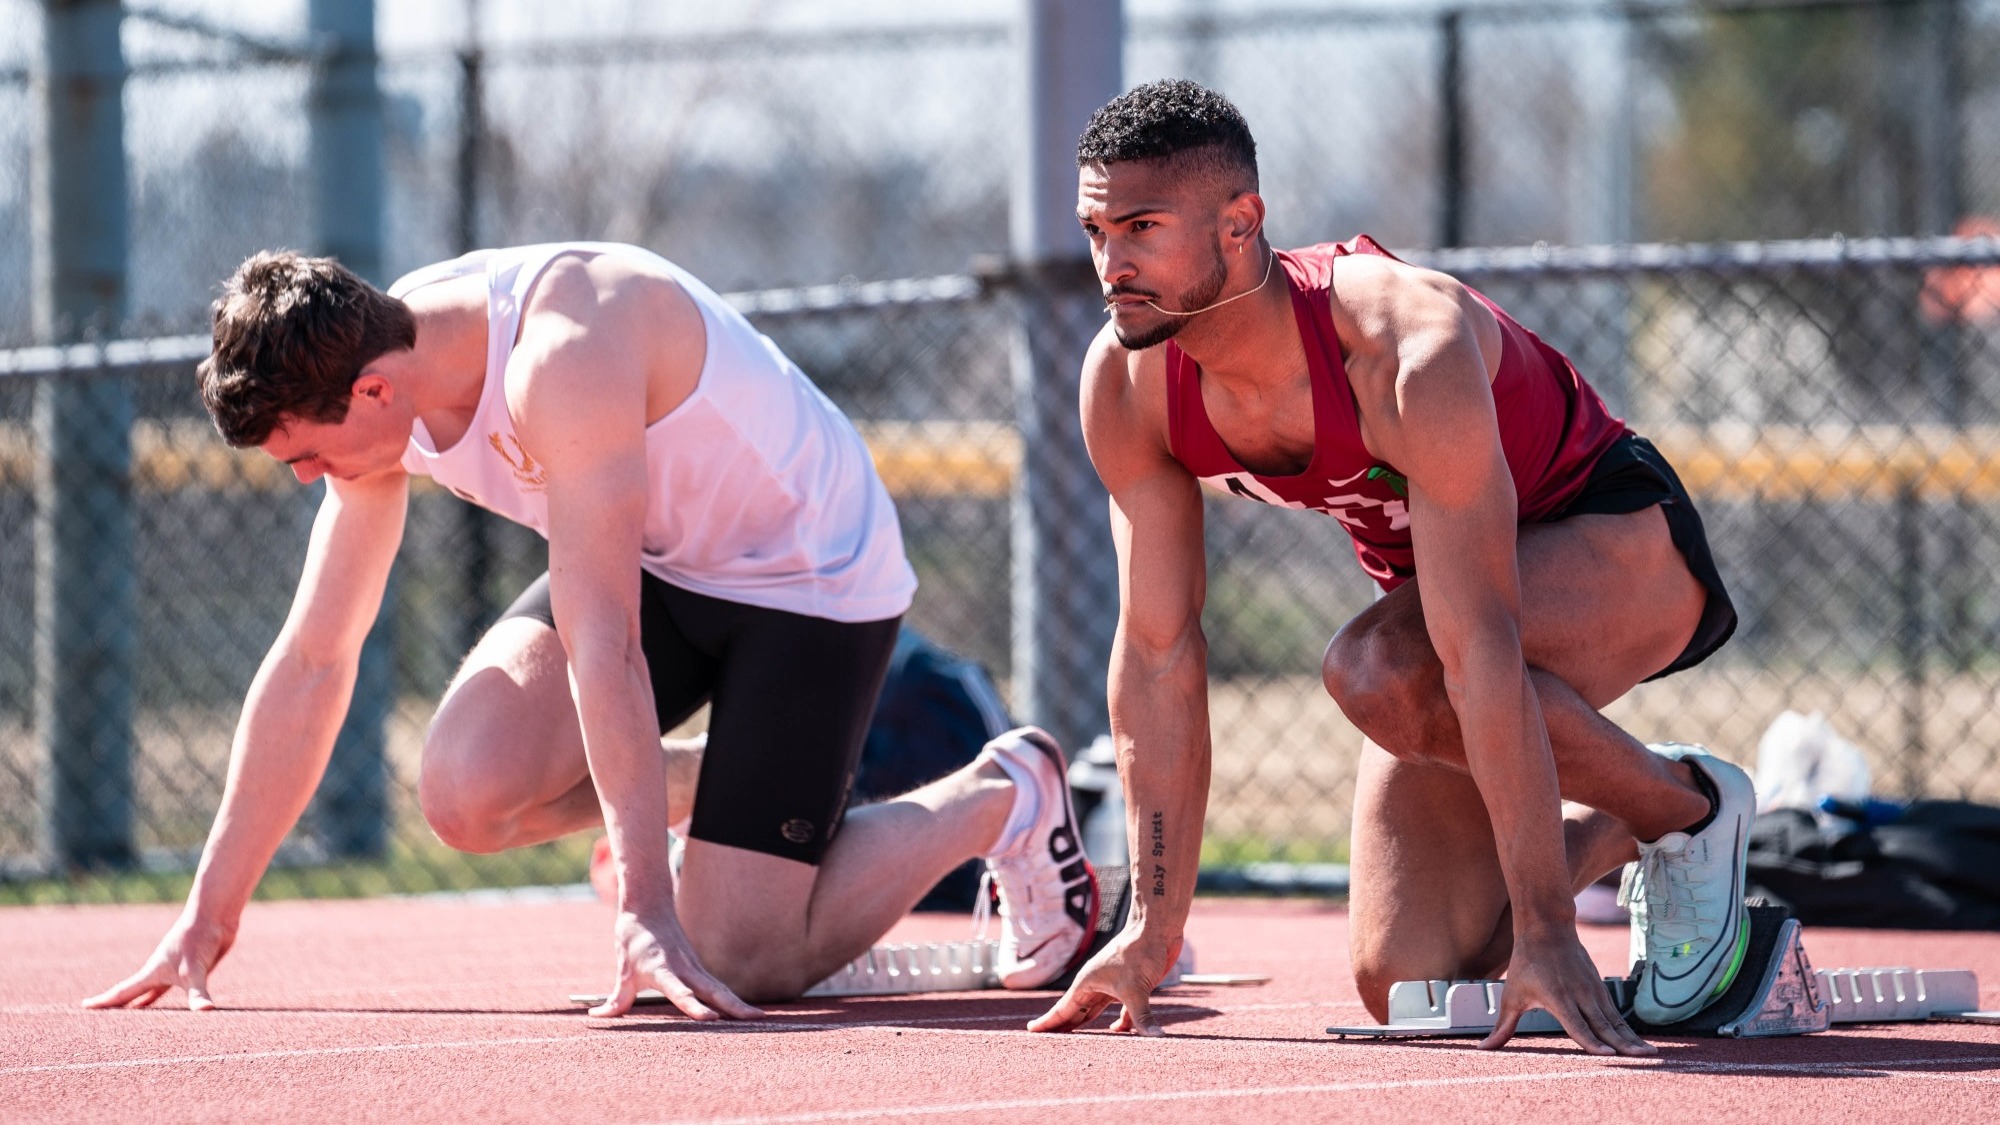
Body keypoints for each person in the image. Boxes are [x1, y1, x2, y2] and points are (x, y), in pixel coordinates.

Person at [83, 243, 1098, 1018]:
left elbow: (603, 643)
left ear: (372, 390)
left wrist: (647, 911)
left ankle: (1005, 791)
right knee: (466, 795)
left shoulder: (561, 355)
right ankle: (721, 789)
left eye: (304, 453)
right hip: (663, 559)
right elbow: (315, 656)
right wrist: (207, 913)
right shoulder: (374, 367)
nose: (308, 476)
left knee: (743, 958)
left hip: (808, 574)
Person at [1029, 81, 1753, 1054]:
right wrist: (1150, 932)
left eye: (1141, 229)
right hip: (1434, 617)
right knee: (1404, 975)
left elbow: (1479, 646)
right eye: (1095, 231)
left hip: (1618, 544)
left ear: (1240, 223)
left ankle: (1690, 813)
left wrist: (1547, 928)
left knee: (1378, 671)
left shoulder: (1403, 345)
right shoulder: (1127, 381)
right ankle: (1627, 816)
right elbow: (1157, 654)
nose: (1109, 265)